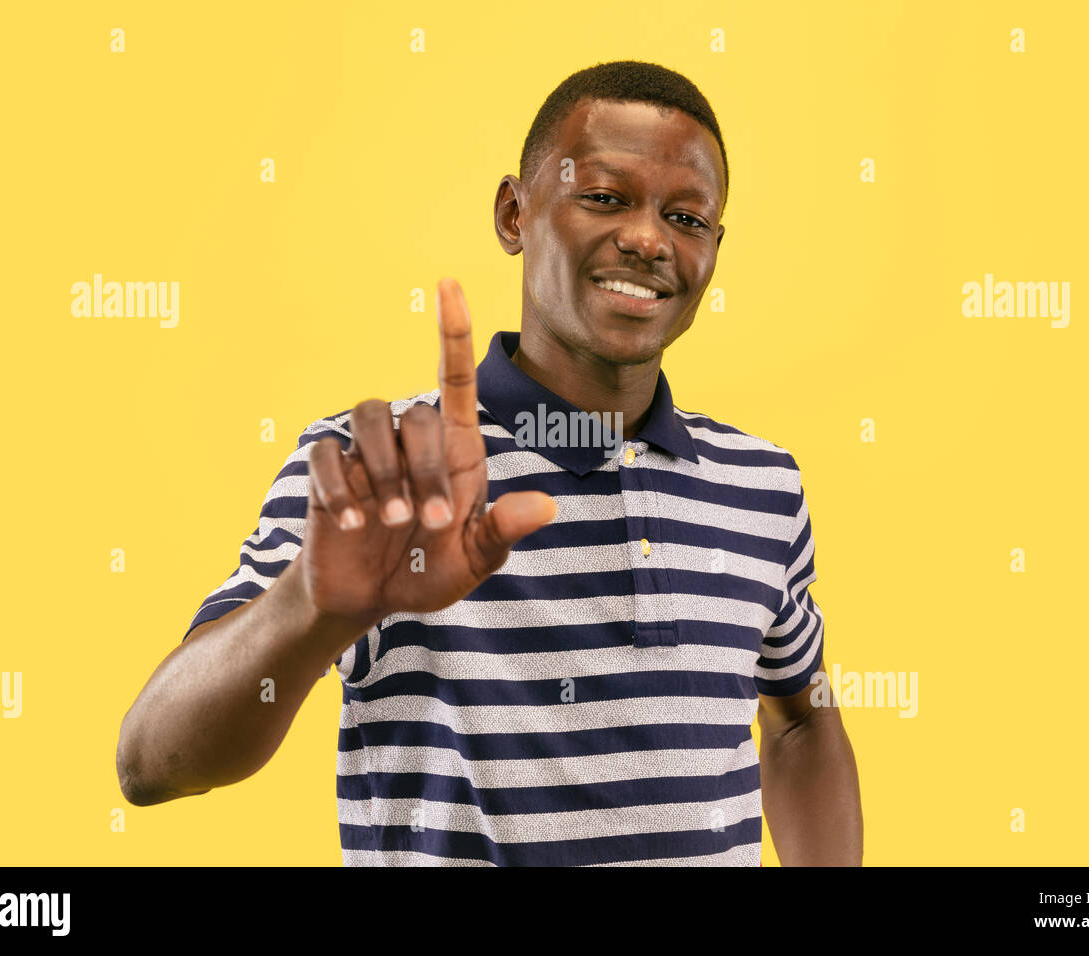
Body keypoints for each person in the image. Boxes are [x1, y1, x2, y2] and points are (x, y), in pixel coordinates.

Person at [117, 60, 862, 866]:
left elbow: (802, 717)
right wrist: (315, 607)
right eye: (605, 197)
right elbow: (150, 762)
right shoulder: (380, 474)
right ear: (515, 214)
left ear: (714, 249)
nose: (649, 239)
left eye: (686, 218)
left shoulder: (761, 485)